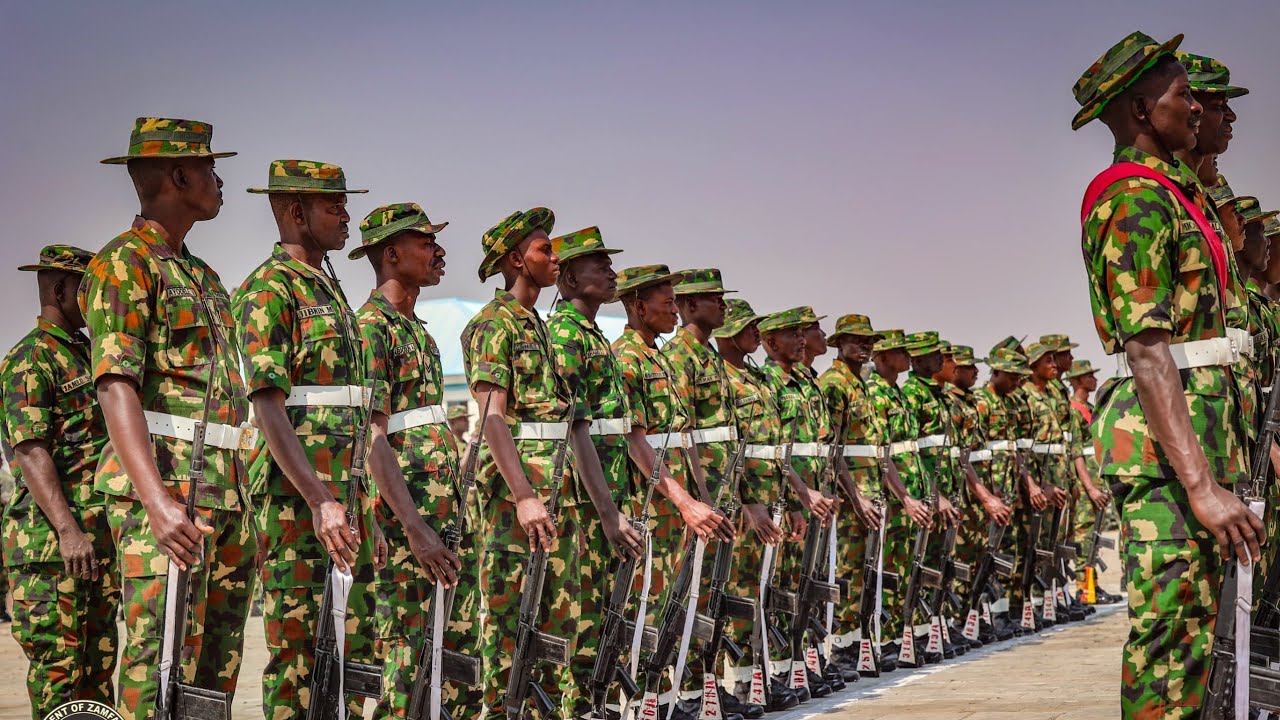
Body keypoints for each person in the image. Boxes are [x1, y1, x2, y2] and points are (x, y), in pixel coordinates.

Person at [1074, 32, 1263, 717]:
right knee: (1170, 654)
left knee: (1208, 653)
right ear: (1138, 108)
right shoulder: (1130, 197)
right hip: (1167, 467)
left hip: (1202, 447)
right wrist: (1202, 486)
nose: (1194, 106)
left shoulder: (1176, 193)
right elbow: (1149, 349)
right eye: (1183, 95)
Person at [236, 163, 457, 719]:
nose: (345, 215)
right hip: (297, 504)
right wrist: (320, 500)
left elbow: (360, 422)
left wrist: (365, 510)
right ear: (294, 212)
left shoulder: (330, 292)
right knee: (300, 657)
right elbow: (268, 405)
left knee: (351, 656)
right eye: (332, 205)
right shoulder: (269, 289)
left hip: (348, 505)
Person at [82, 117, 257, 720]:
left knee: (216, 667)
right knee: (161, 658)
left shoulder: (201, 274)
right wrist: (156, 501)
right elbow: (115, 386)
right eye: (210, 168)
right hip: (167, 490)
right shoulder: (122, 264)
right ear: (179, 175)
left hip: (222, 492)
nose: (219, 180)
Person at [348, 202, 474, 720]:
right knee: (406, 649)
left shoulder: (417, 330)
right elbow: (373, 437)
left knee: (446, 647)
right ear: (392, 253)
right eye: (426, 243)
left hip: (440, 518)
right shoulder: (371, 329)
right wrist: (414, 526)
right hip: (409, 523)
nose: (438, 252)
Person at [461, 208, 580, 718]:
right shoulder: (493, 324)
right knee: (510, 618)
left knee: (556, 617)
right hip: (519, 494)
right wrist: (524, 495)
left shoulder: (540, 325)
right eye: (544, 250)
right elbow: (493, 418)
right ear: (515, 259)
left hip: (556, 482)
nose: (555, 258)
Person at [1, 245, 119, 719]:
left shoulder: (89, 356)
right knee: (59, 671)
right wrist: (68, 530)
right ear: (59, 290)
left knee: (98, 668)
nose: (96, 302)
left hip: (95, 542)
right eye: (87, 291)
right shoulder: (30, 359)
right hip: (50, 548)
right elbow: (30, 450)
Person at [610, 264, 732, 720]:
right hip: (651, 504)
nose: (673, 311)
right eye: (666, 303)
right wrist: (683, 500)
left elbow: (684, 437)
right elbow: (635, 439)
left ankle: (663, 701)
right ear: (639, 306)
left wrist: (701, 497)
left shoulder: (658, 356)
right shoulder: (626, 357)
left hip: (678, 501)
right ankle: (639, 706)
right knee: (646, 605)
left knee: (672, 604)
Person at [543, 226, 644, 719]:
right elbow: (574, 428)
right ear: (566, 279)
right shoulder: (563, 334)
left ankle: (594, 704)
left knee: (605, 612)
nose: (610, 272)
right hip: (583, 502)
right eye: (596, 265)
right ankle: (577, 707)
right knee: (579, 616)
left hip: (606, 492)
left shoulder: (590, 333)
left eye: (609, 263)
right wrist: (606, 512)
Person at [711, 299, 799, 711]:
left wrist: (791, 498)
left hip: (772, 500)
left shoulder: (760, 378)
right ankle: (729, 685)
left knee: (762, 594)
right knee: (735, 596)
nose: (755, 332)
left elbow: (775, 450)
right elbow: (732, 450)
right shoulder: (722, 377)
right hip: (745, 507)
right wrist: (748, 502)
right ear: (726, 332)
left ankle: (755, 680)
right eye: (747, 326)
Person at [816, 314, 888, 673]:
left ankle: (861, 644)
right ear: (840, 343)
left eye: (869, 341)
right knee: (844, 568)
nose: (865, 346)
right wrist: (857, 496)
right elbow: (834, 447)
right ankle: (840, 649)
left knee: (865, 569)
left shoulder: (862, 384)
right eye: (857, 340)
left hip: (871, 490)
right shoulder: (834, 384)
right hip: (849, 495)